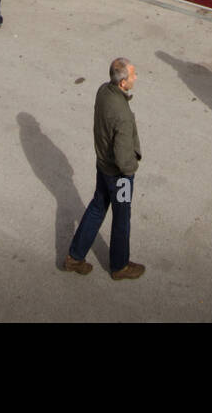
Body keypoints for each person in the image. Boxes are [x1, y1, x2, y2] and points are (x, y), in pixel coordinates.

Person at [64, 58, 144, 281]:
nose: (135, 78)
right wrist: (130, 171)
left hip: (103, 165)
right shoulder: (123, 117)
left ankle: (74, 257)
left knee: (98, 206)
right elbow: (123, 155)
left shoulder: (103, 91)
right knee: (122, 218)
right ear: (122, 83)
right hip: (119, 176)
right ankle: (120, 266)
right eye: (133, 75)